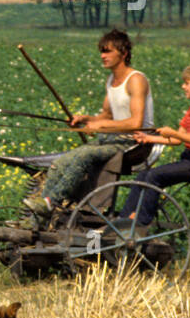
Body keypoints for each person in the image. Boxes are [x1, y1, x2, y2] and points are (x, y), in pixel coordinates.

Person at [23, 29, 153, 220]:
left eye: (108, 51)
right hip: (113, 139)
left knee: (84, 155)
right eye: (102, 51)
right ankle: (35, 218)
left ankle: (52, 201)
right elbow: (106, 116)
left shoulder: (135, 80)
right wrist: (85, 120)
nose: (103, 56)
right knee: (60, 162)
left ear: (123, 53)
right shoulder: (112, 80)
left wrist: (101, 127)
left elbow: (136, 123)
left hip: (135, 143)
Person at [117, 64, 190, 232]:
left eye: (187, 83)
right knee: (144, 175)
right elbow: (177, 140)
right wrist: (149, 138)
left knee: (154, 177)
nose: (183, 86)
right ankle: (124, 219)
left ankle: (140, 223)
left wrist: (172, 133)